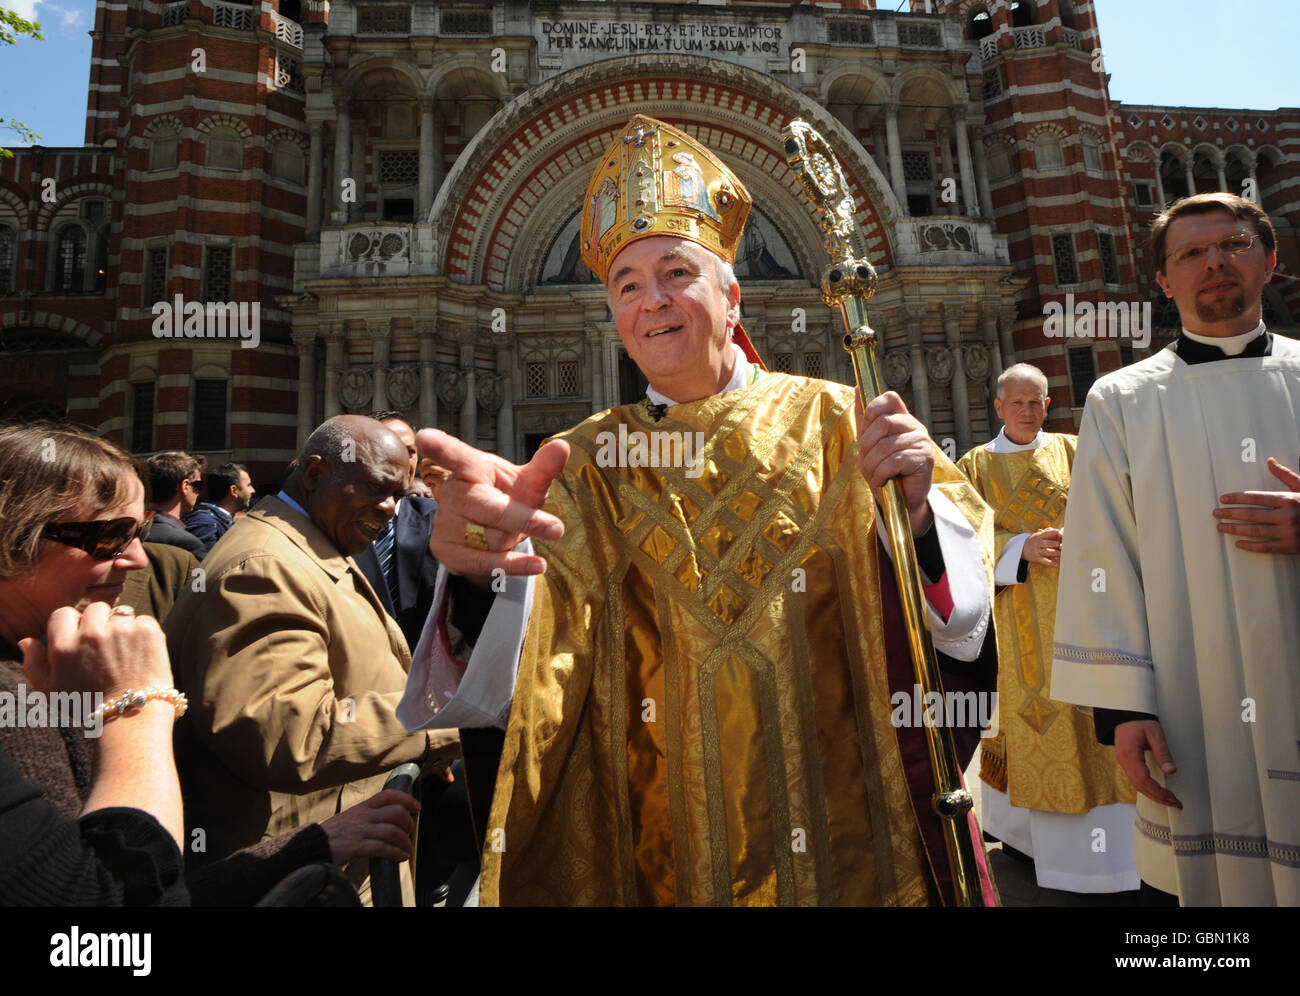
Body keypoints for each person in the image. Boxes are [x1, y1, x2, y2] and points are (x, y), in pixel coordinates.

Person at [403, 116, 1002, 906]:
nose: (652, 301)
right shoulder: (579, 465)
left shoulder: (841, 421)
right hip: (654, 835)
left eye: (677, 272)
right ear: (613, 318)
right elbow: (522, 687)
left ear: (731, 296)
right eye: (627, 284)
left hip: (848, 825)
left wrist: (918, 519)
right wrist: (478, 576)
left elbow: (956, 627)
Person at [1051, 192, 1300, 906]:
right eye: (1190, 253)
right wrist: (1121, 712)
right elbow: (1103, 559)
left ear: (1270, 259)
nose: (1214, 263)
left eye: (1233, 245)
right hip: (1194, 704)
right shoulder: (1121, 399)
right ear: (1163, 281)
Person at [165, 414, 460, 904]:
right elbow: (289, 734)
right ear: (317, 474)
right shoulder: (265, 567)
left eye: (399, 494)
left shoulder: (308, 542)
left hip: (336, 856)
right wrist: (449, 714)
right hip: (298, 873)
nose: (390, 508)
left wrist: (419, 751)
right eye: (374, 488)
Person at [957, 363, 1136, 894]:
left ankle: (1120, 863)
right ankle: (1054, 861)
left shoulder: (1073, 450)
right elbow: (966, 540)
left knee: (1097, 724)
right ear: (998, 407)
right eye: (1018, 403)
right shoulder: (976, 465)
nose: (1029, 411)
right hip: (1023, 627)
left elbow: (1114, 509)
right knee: (1041, 727)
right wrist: (1021, 547)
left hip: (1090, 614)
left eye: (1037, 402)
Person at [355, 412, 440, 652]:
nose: (403, 459)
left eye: (410, 451)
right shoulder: (333, 521)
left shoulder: (440, 518)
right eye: (390, 446)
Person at [144, 451, 208, 562]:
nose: (199, 492)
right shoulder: (187, 544)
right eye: (198, 485)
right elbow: (201, 579)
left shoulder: (126, 532)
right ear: (185, 486)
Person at [183, 461, 254, 552]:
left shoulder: (219, 520)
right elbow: (203, 563)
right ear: (234, 490)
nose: (253, 490)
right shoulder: (205, 522)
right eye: (248, 485)